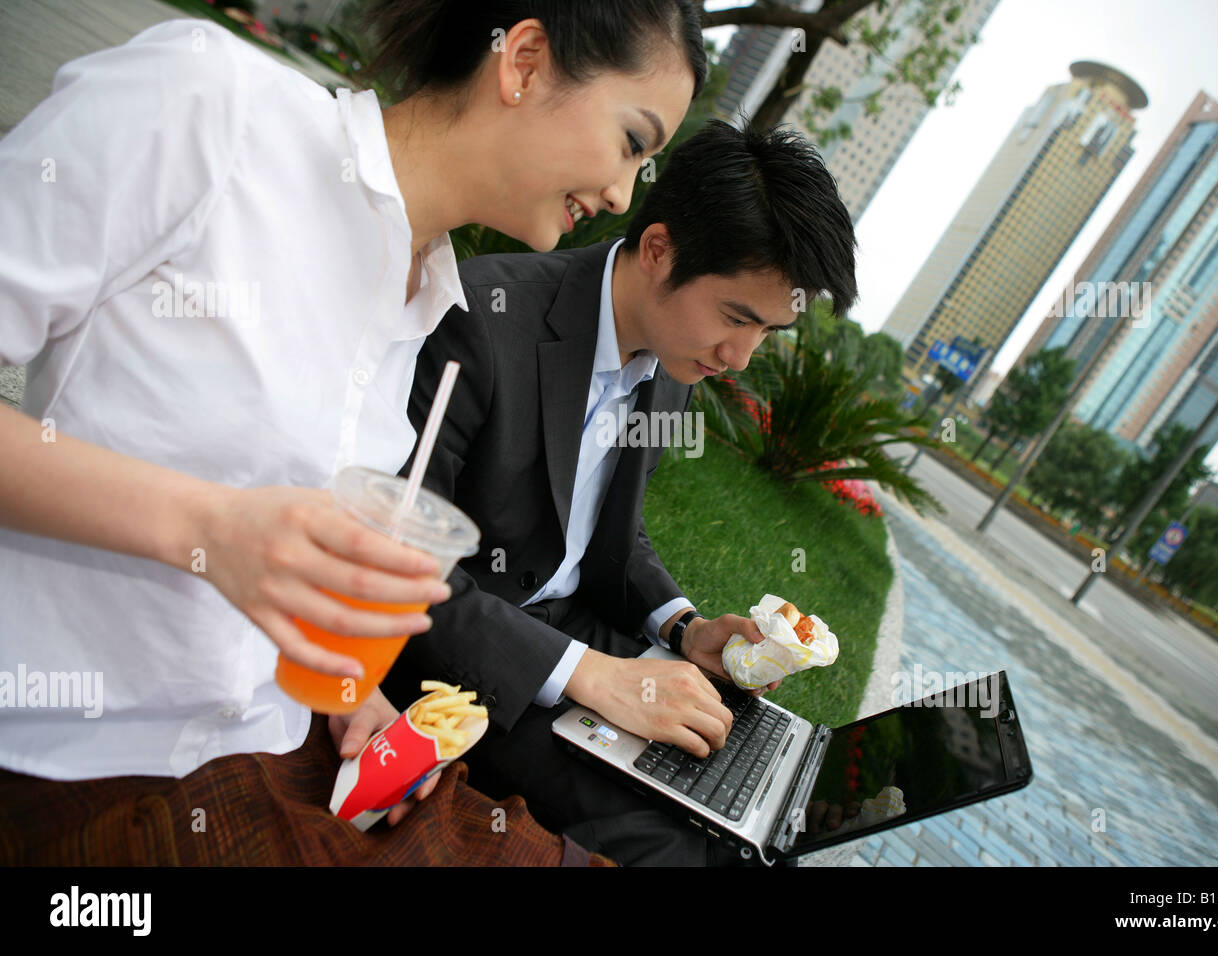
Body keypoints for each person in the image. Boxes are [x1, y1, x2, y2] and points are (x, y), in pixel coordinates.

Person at [0, 0, 705, 865]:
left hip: (283, 751)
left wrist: (351, 695)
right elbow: (232, 534)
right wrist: (206, 529)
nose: (622, 196)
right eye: (632, 142)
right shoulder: (213, 107)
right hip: (68, 767)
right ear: (521, 60)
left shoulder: (434, 306)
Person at [382, 119, 858, 865]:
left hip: (574, 628)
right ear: (660, 249)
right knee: (682, 848)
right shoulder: (480, 321)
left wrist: (681, 628)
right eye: (736, 318)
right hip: (464, 658)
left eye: (766, 331)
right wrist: (598, 679)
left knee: (760, 821)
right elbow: (395, 571)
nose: (740, 357)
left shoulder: (674, 360)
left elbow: (613, 530)